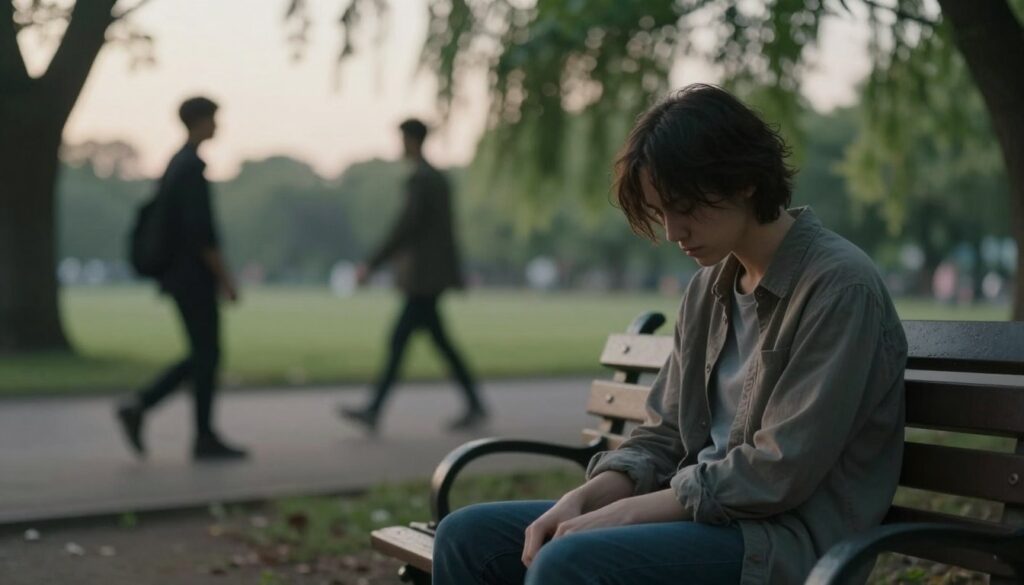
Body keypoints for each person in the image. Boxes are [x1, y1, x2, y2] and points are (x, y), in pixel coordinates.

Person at [432, 84, 908, 585]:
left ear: (744, 180)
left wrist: (629, 514)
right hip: (704, 515)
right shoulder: (708, 289)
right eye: (661, 213)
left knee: (568, 562)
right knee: (467, 535)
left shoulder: (838, 287)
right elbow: (664, 433)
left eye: (684, 206)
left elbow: (777, 471)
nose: (673, 232)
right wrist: (588, 497)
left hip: (780, 541)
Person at [116, 96, 247, 461]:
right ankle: (192, 430)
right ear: (201, 121)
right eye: (214, 119)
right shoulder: (190, 167)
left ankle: (148, 408)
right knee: (207, 353)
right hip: (193, 276)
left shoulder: (177, 164)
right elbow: (200, 231)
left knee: (203, 353)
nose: (218, 126)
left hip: (179, 275)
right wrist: (225, 277)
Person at [339, 119, 488, 433]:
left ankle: (374, 409)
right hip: (430, 279)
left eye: (402, 140)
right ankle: (474, 403)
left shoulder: (422, 180)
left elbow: (405, 227)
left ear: (412, 140)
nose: (400, 147)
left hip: (422, 279)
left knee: (400, 342)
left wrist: (372, 263)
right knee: (437, 343)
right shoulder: (436, 179)